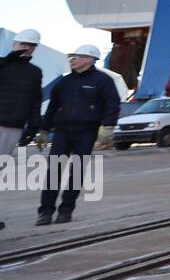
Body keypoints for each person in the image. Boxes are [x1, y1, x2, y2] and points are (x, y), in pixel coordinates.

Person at [39, 44, 119, 225]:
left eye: (77, 57)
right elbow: (52, 107)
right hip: (62, 132)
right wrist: (44, 129)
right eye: (72, 57)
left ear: (90, 60)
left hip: (86, 132)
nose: (72, 60)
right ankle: (45, 212)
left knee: (76, 173)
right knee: (54, 172)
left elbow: (112, 105)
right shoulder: (64, 82)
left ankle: (65, 211)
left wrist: (107, 128)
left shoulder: (103, 81)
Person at [1, 29, 44, 231]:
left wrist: (33, 126)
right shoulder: (2, 64)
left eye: (31, 46)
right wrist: (8, 60)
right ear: (13, 45)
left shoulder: (35, 72)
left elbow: (36, 100)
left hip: (13, 127)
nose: (25, 49)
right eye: (22, 45)